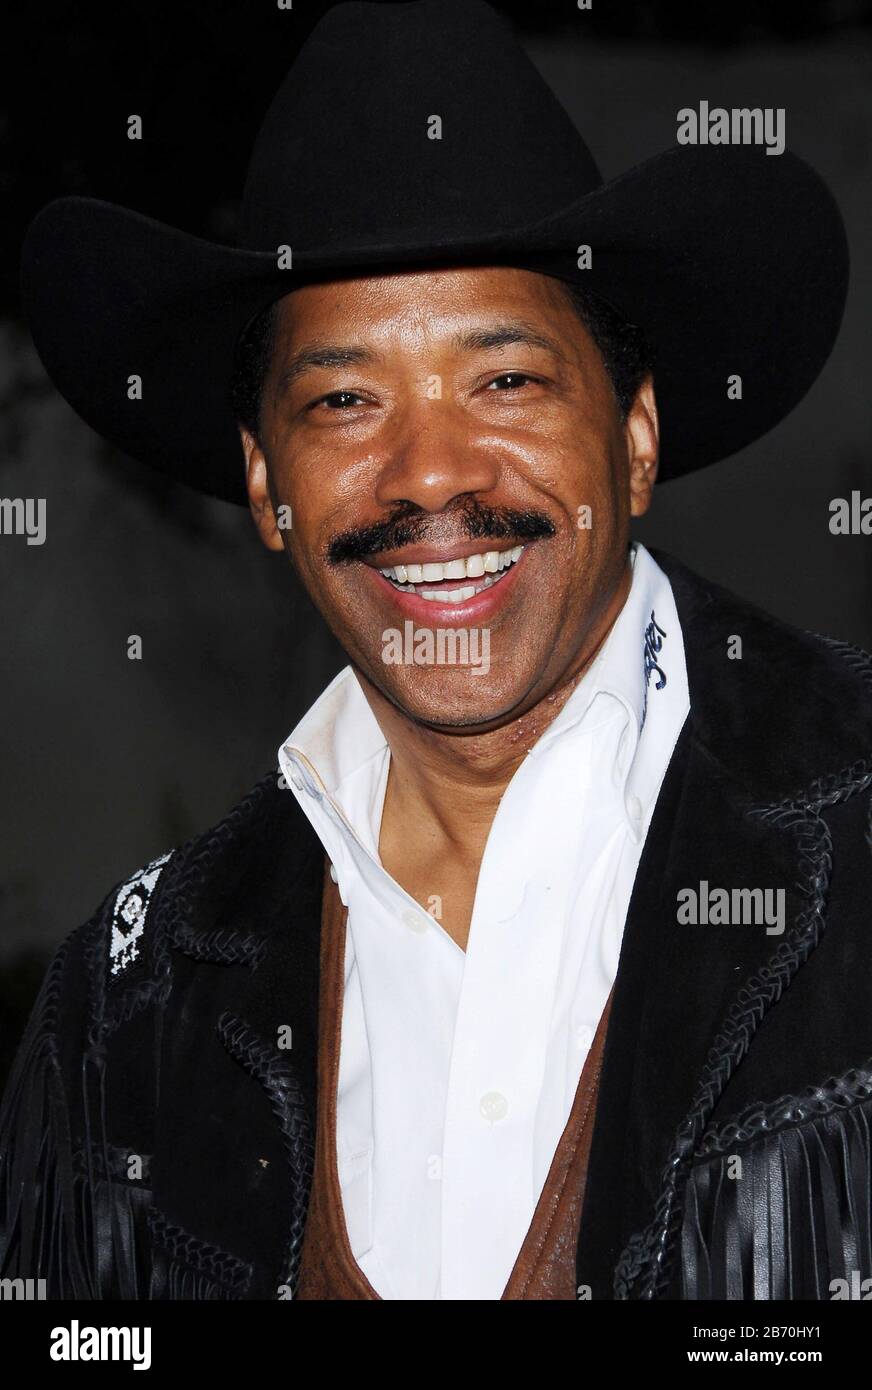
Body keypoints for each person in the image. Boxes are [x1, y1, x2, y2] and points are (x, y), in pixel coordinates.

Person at [2, 0, 869, 1301]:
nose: (429, 474)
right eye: (345, 399)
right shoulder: (121, 1019)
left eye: (505, 379)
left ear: (634, 434)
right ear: (265, 482)